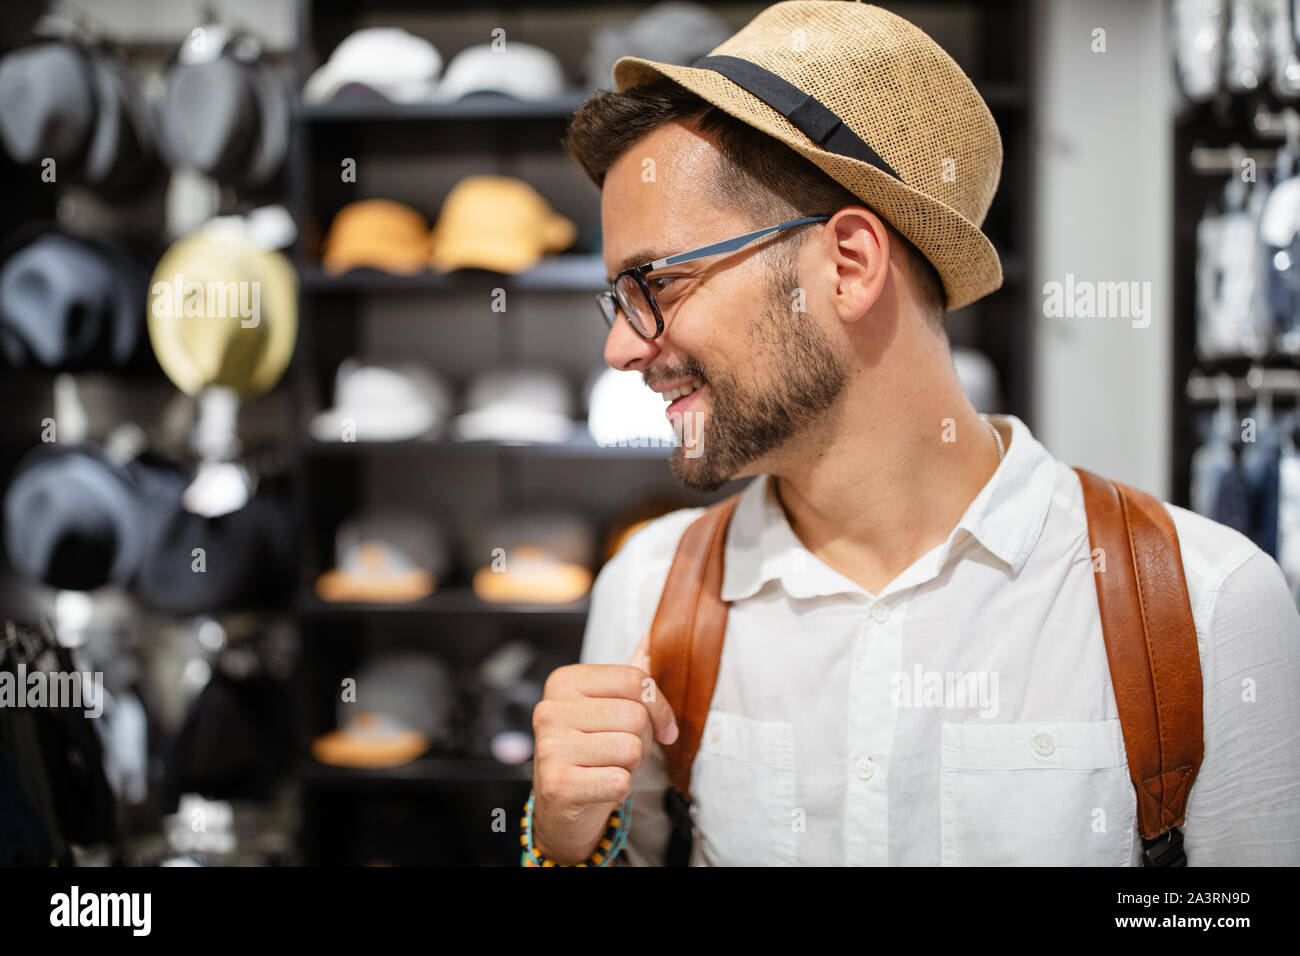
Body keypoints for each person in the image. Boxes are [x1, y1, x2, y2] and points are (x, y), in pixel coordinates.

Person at [525, 1, 1300, 866]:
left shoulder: (1205, 603)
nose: (621, 346)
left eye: (655, 285)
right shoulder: (648, 590)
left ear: (849, 265)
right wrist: (562, 843)